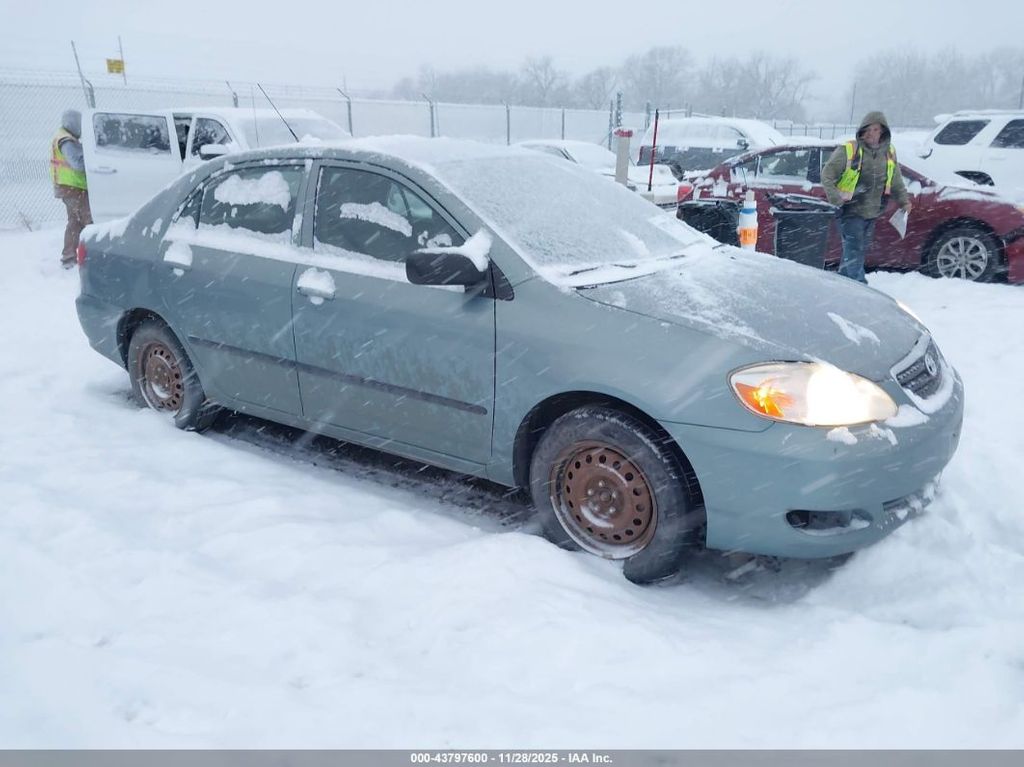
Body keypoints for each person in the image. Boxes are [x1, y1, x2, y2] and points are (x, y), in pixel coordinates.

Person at [821, 111, 912, 283]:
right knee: (854, 247)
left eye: (875, 129)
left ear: (883, 132)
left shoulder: (889, 153)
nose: (871, 134)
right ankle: (859, 283)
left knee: (856, 249)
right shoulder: (850, 150)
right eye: (867, 129)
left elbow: (896, 180)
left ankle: (845, 281)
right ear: (862, 131)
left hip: (873, 210)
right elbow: (827, 174)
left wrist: (903, 201)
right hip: (850, 209)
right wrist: (836, 199)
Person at [50, 109, 92, 269]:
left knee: (75, 222)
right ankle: (78, 257)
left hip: (69, 187)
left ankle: (70, 257)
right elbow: (77, 163)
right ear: (73, 122)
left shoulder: (64, 136)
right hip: (72, 187)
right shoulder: (66, 140)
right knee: (87, 221)